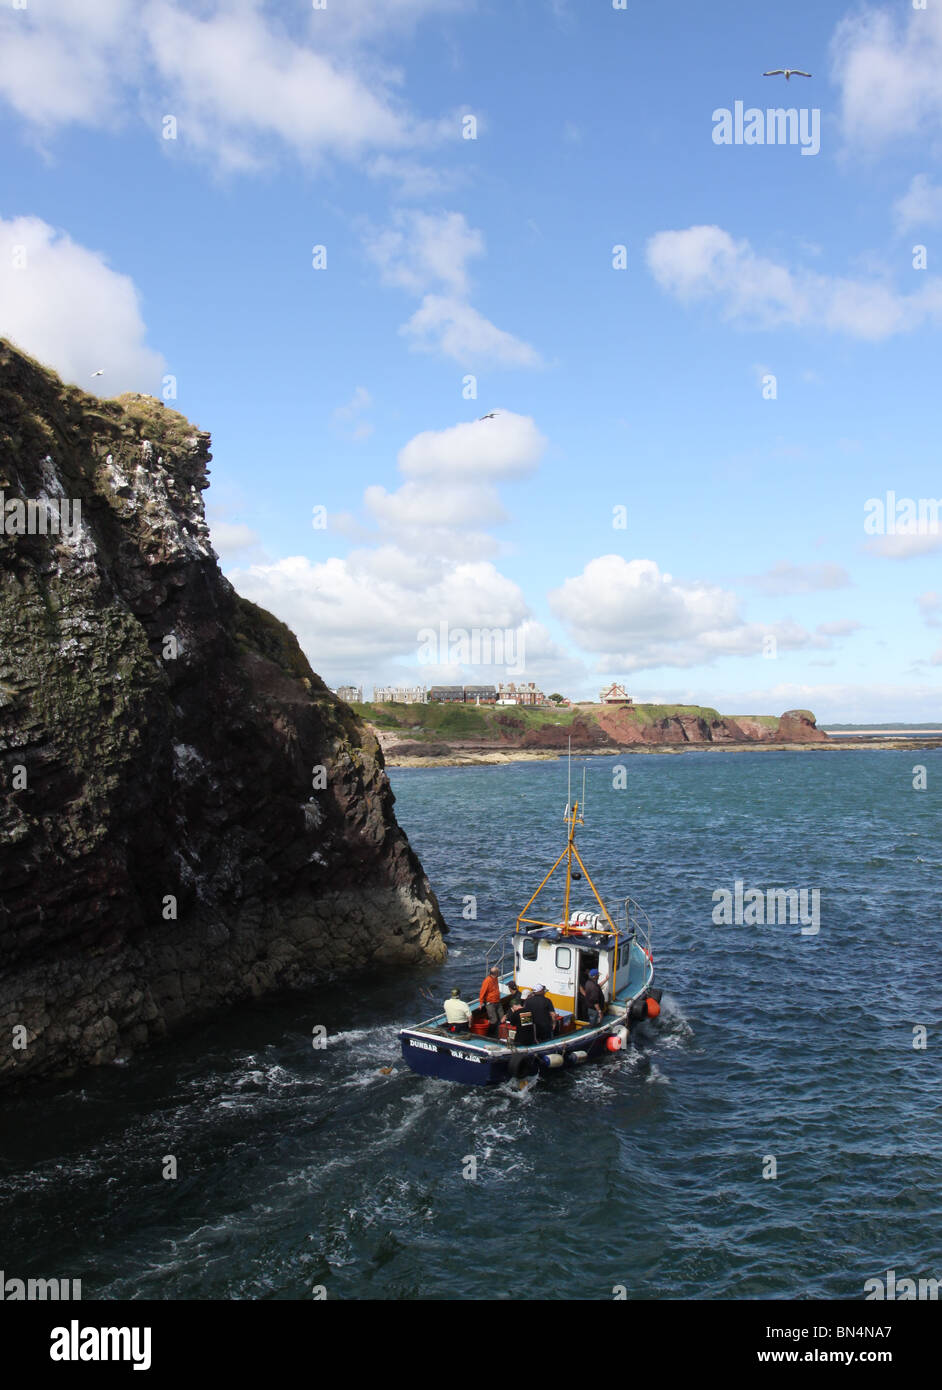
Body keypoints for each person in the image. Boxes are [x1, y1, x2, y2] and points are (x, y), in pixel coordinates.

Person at [479, 965, 502, 1033]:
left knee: (502, 1017)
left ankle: (499, 1031)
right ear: (496, 973)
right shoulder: (487, 981)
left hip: (497, 1001)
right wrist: (481, 1003)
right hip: (490, 1003)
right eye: (498, 972)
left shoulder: (496, 978)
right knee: (494, 1020)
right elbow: (482, 992)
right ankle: (490, 1032)